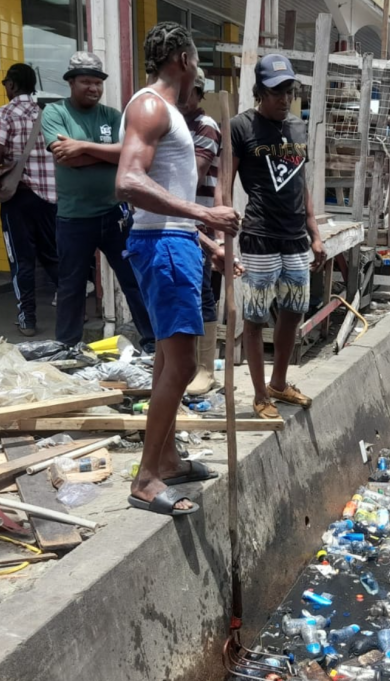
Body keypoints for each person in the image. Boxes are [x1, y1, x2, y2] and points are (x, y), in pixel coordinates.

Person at [116, 22, 240, 516]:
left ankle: (166, 460)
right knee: (184, 363)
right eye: (197, 62)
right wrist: (204, 214)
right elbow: (128, 180)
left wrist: (202, 238)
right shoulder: (150, 106)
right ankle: (146, 478)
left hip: (176, 241)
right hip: (163, 246)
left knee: (171, 359)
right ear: (185, 60)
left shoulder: (165, 112)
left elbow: (165, 197)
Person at [229, 54, 326, 420]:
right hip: (259, 236)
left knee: (293, 310)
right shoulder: (241, 127)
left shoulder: (297, 129)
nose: (284, 99)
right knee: (255, 317)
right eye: (276, 92)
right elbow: (226, 181)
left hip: (294, 238)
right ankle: (258, 394)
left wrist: (314, 233)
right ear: (259, 92)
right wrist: (220, 223)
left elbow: (301, 184)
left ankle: (279, 383)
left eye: (289, 91)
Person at [41, 52, 155, 351]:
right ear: (71, 83)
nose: (93, 88)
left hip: (114, 213)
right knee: (72, 286)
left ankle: (153, 342)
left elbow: (130, 154)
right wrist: (106, 154)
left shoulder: (112, 116)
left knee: (134, 279)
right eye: (86, 82)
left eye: (97, 82)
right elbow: (67, 160)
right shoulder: (55, 113)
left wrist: (82, 147)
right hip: (73, 217)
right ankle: (66, 348)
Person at [0, 63, 60, 336]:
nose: (5, 88)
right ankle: (75, 310)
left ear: (13, 85)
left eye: (6, 83)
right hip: (51, 199)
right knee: (53, 257)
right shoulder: (50, 114)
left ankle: (27, 318)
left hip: (19, 197)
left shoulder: (2, 115)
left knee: (21, 260)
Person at [179, 67, 231, 395]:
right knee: (187, 295)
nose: (182, 98)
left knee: (203, 295)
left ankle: (205, 368)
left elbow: (192, 178)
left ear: (199, 96)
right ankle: (187, 366)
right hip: (175, 221)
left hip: (197, 222)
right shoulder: (167, 124)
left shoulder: (204, 126)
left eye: (190, 93)